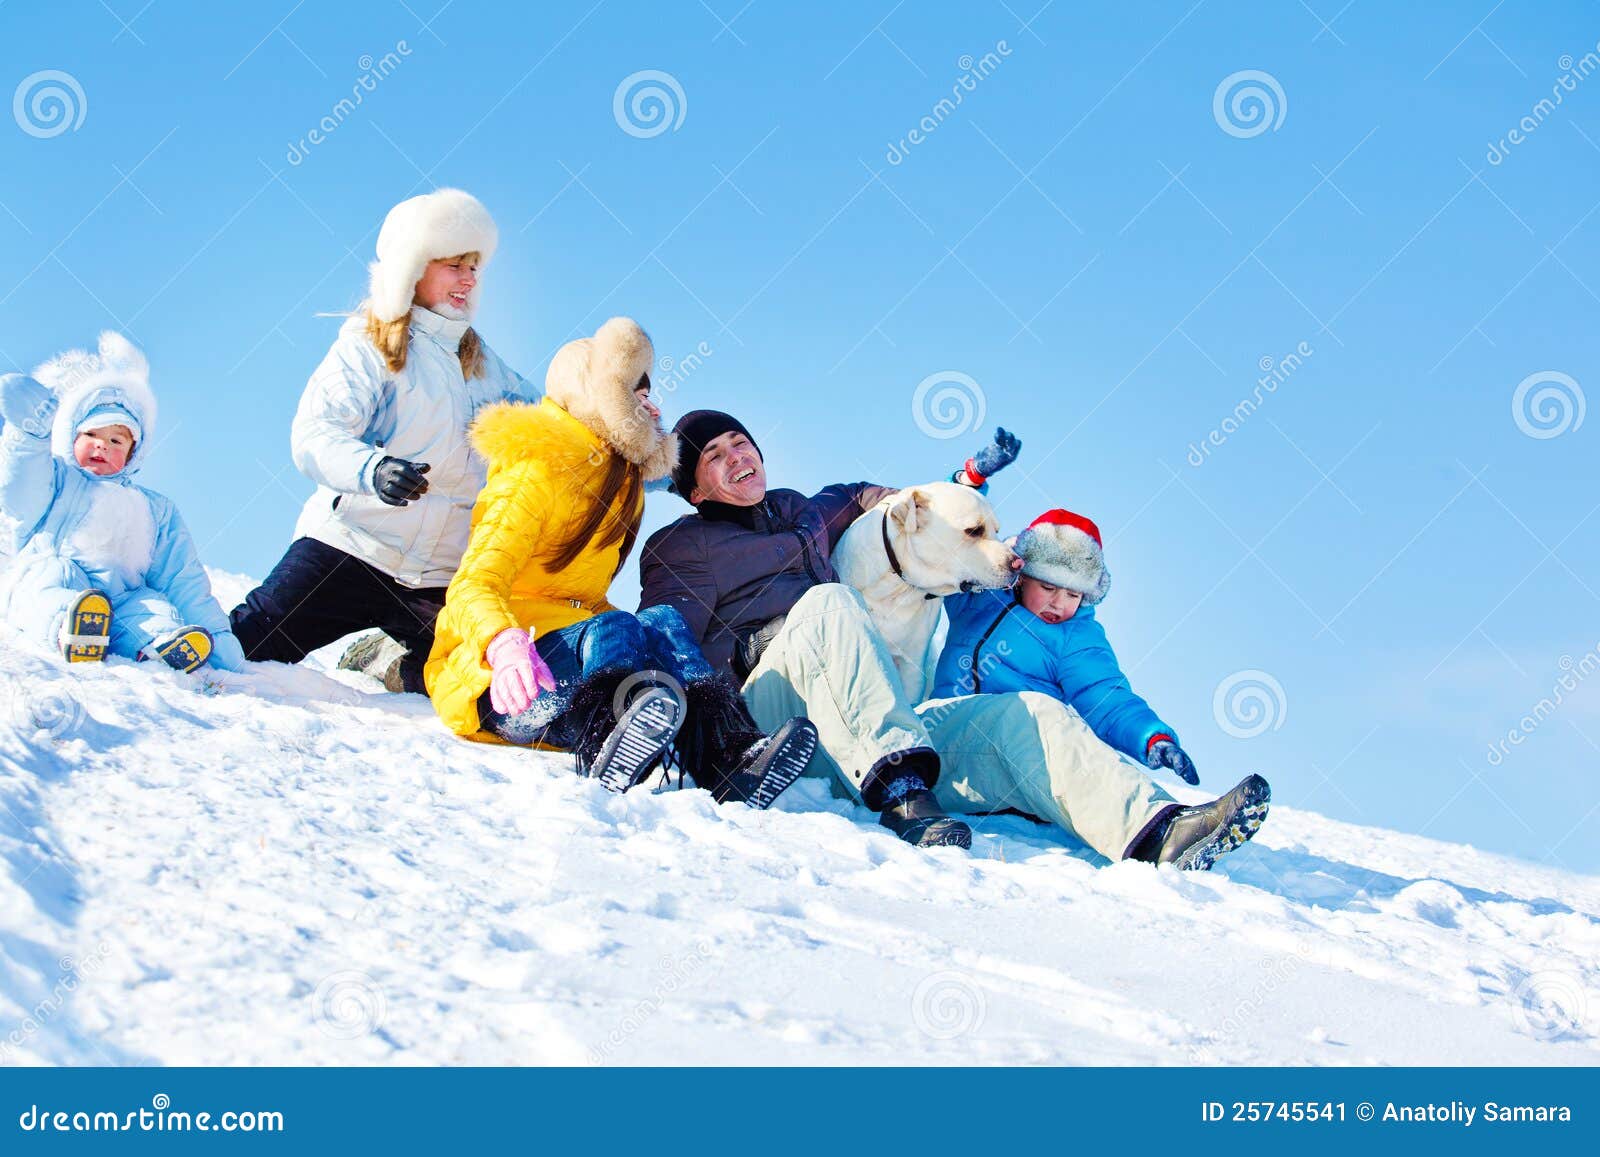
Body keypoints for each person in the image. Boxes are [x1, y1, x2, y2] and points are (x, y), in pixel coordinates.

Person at [426, 318, 816, 806]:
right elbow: (472, 582)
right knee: (616, 631)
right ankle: (613, 737)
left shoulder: (617, 485)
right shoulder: (534, 472)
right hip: (503, 676)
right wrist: (501, 645)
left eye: (651, 394)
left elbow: (582, 599)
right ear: (598, 394)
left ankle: (728, 753)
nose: (651, 407)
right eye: (636, 393)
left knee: (663, 622)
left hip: (568, 657)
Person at [638, 409, 1021, 848]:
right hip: (759, 724)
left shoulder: (801, 511)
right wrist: (744, 651)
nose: (736, 456)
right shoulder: (683, 546)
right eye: (714, 454)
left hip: (835, 721)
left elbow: (866, 498)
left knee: (1020, 716)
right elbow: (666, 641)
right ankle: (902, 792)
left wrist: (957, 489)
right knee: (832, 601)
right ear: (694, 491)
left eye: (739, 442)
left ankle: (1116, 828)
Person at [229, 188, 540, 690]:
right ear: (413, 268)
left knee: (465, 680)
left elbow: (557, 429)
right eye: (454, 264)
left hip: (439, 575)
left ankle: (384, 662)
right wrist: (371, 470)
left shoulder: (487, 366)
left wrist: (653, 459)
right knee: (247, 647)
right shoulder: (368, 344)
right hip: (353, 548)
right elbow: (316, 430)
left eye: (475, 267)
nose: (468, 279)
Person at [925, 508, 1270, 870]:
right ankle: (1160, 835)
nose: (1060, 604)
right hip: (938, 747)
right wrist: (970, 478)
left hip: (1007, 774)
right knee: (1031, 712)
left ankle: (1165, 830)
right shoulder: (982, 593)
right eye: (1048, 587)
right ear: (1022, 573)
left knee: (1059, 729)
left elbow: (1106, 696)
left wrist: (1151, 738)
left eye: (1074, 594)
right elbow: (945, 535)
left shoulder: (1077, 636)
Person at [0, 332, 245, 672]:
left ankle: (160, 647)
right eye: (91, 435)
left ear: (134, 452)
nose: (102, 446)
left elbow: (181, 575)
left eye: (116, 439)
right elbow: (18, 489)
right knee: (52, 578)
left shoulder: (153, 508)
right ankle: (67, 629)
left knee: (150, 606)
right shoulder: (56, 479)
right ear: (70, 436)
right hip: (53, 578)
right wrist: (28, 436)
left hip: (120, 597)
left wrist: (219, 637)